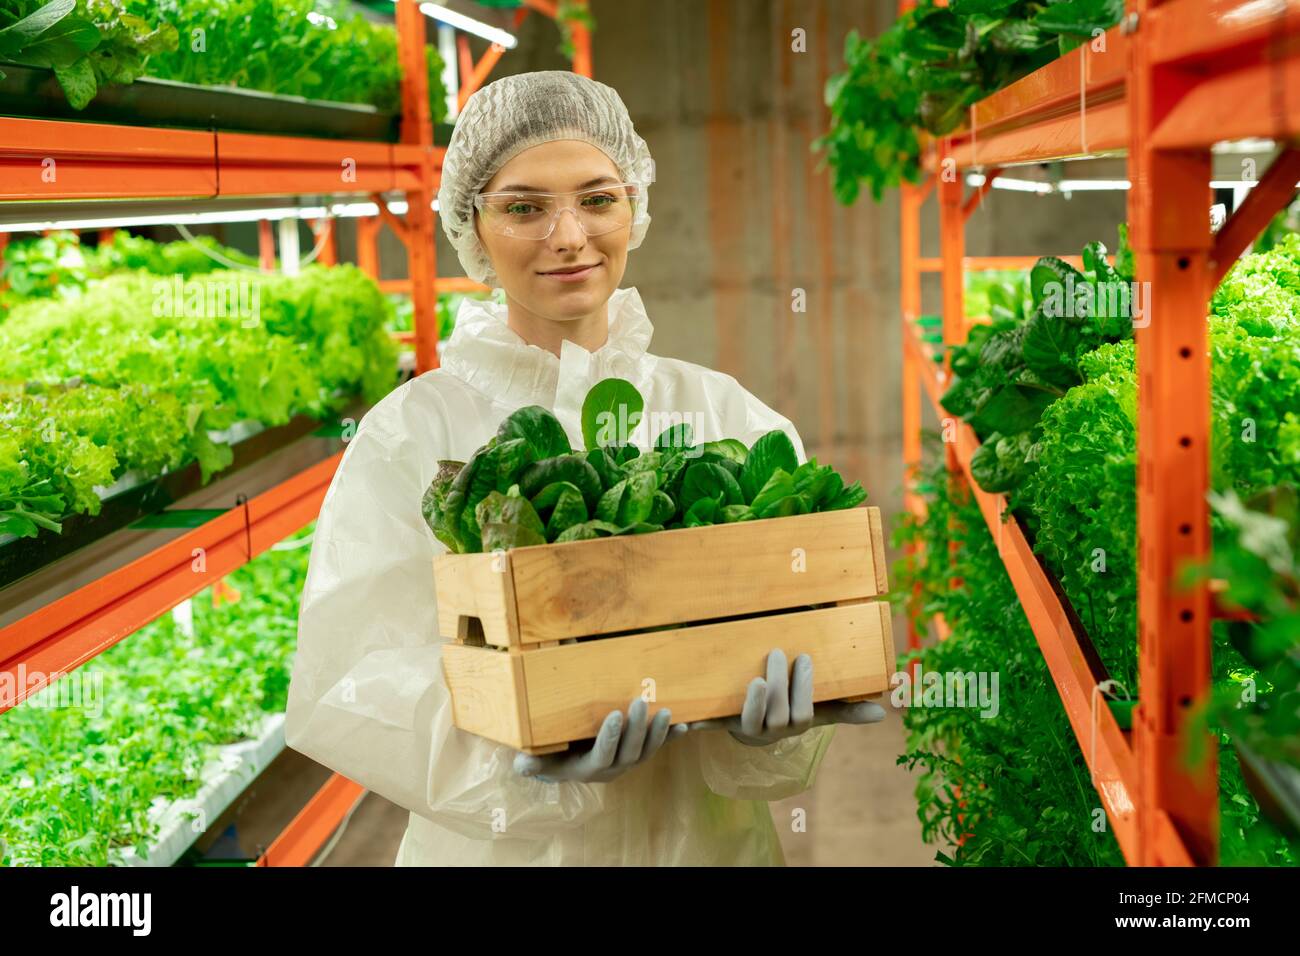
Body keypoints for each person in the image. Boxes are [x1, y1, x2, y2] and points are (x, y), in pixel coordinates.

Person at [284, 70, 884, 867]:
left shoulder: (725, 416)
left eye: (598, 199)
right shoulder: (413, 433)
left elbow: (790, 633)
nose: (569, 235)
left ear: (635, 204)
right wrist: (525, 763)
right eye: (525, 207)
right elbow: (352, 677)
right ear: (473, 225)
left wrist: (767, 734)